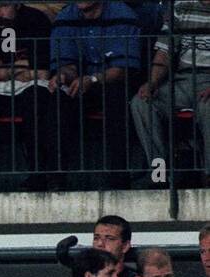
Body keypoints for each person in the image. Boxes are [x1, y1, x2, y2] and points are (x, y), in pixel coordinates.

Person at [48, 1, 142, 189]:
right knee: (56, 100)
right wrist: (63, 75)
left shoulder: (123, 14)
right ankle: (55, 177)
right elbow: (68, 64)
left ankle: (118, 178)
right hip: (82, 83)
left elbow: (123, 69)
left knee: (117, 101)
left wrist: (93, 79)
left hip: (115, 82)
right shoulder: (66, 16)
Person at [0, 2, 58, 191]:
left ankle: (38, 175)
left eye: (3, 6)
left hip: (29, 88)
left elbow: (42, 73)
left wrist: (0, 68)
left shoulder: (36, 20)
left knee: (37, 101)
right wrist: (19, 68)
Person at [131, 0, 210, 189]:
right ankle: (159, 173)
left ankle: (209, 175)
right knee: (141, 102)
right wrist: (152, 82)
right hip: (182, 79)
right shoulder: (182, 5)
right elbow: (164, 50)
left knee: (209, 107)